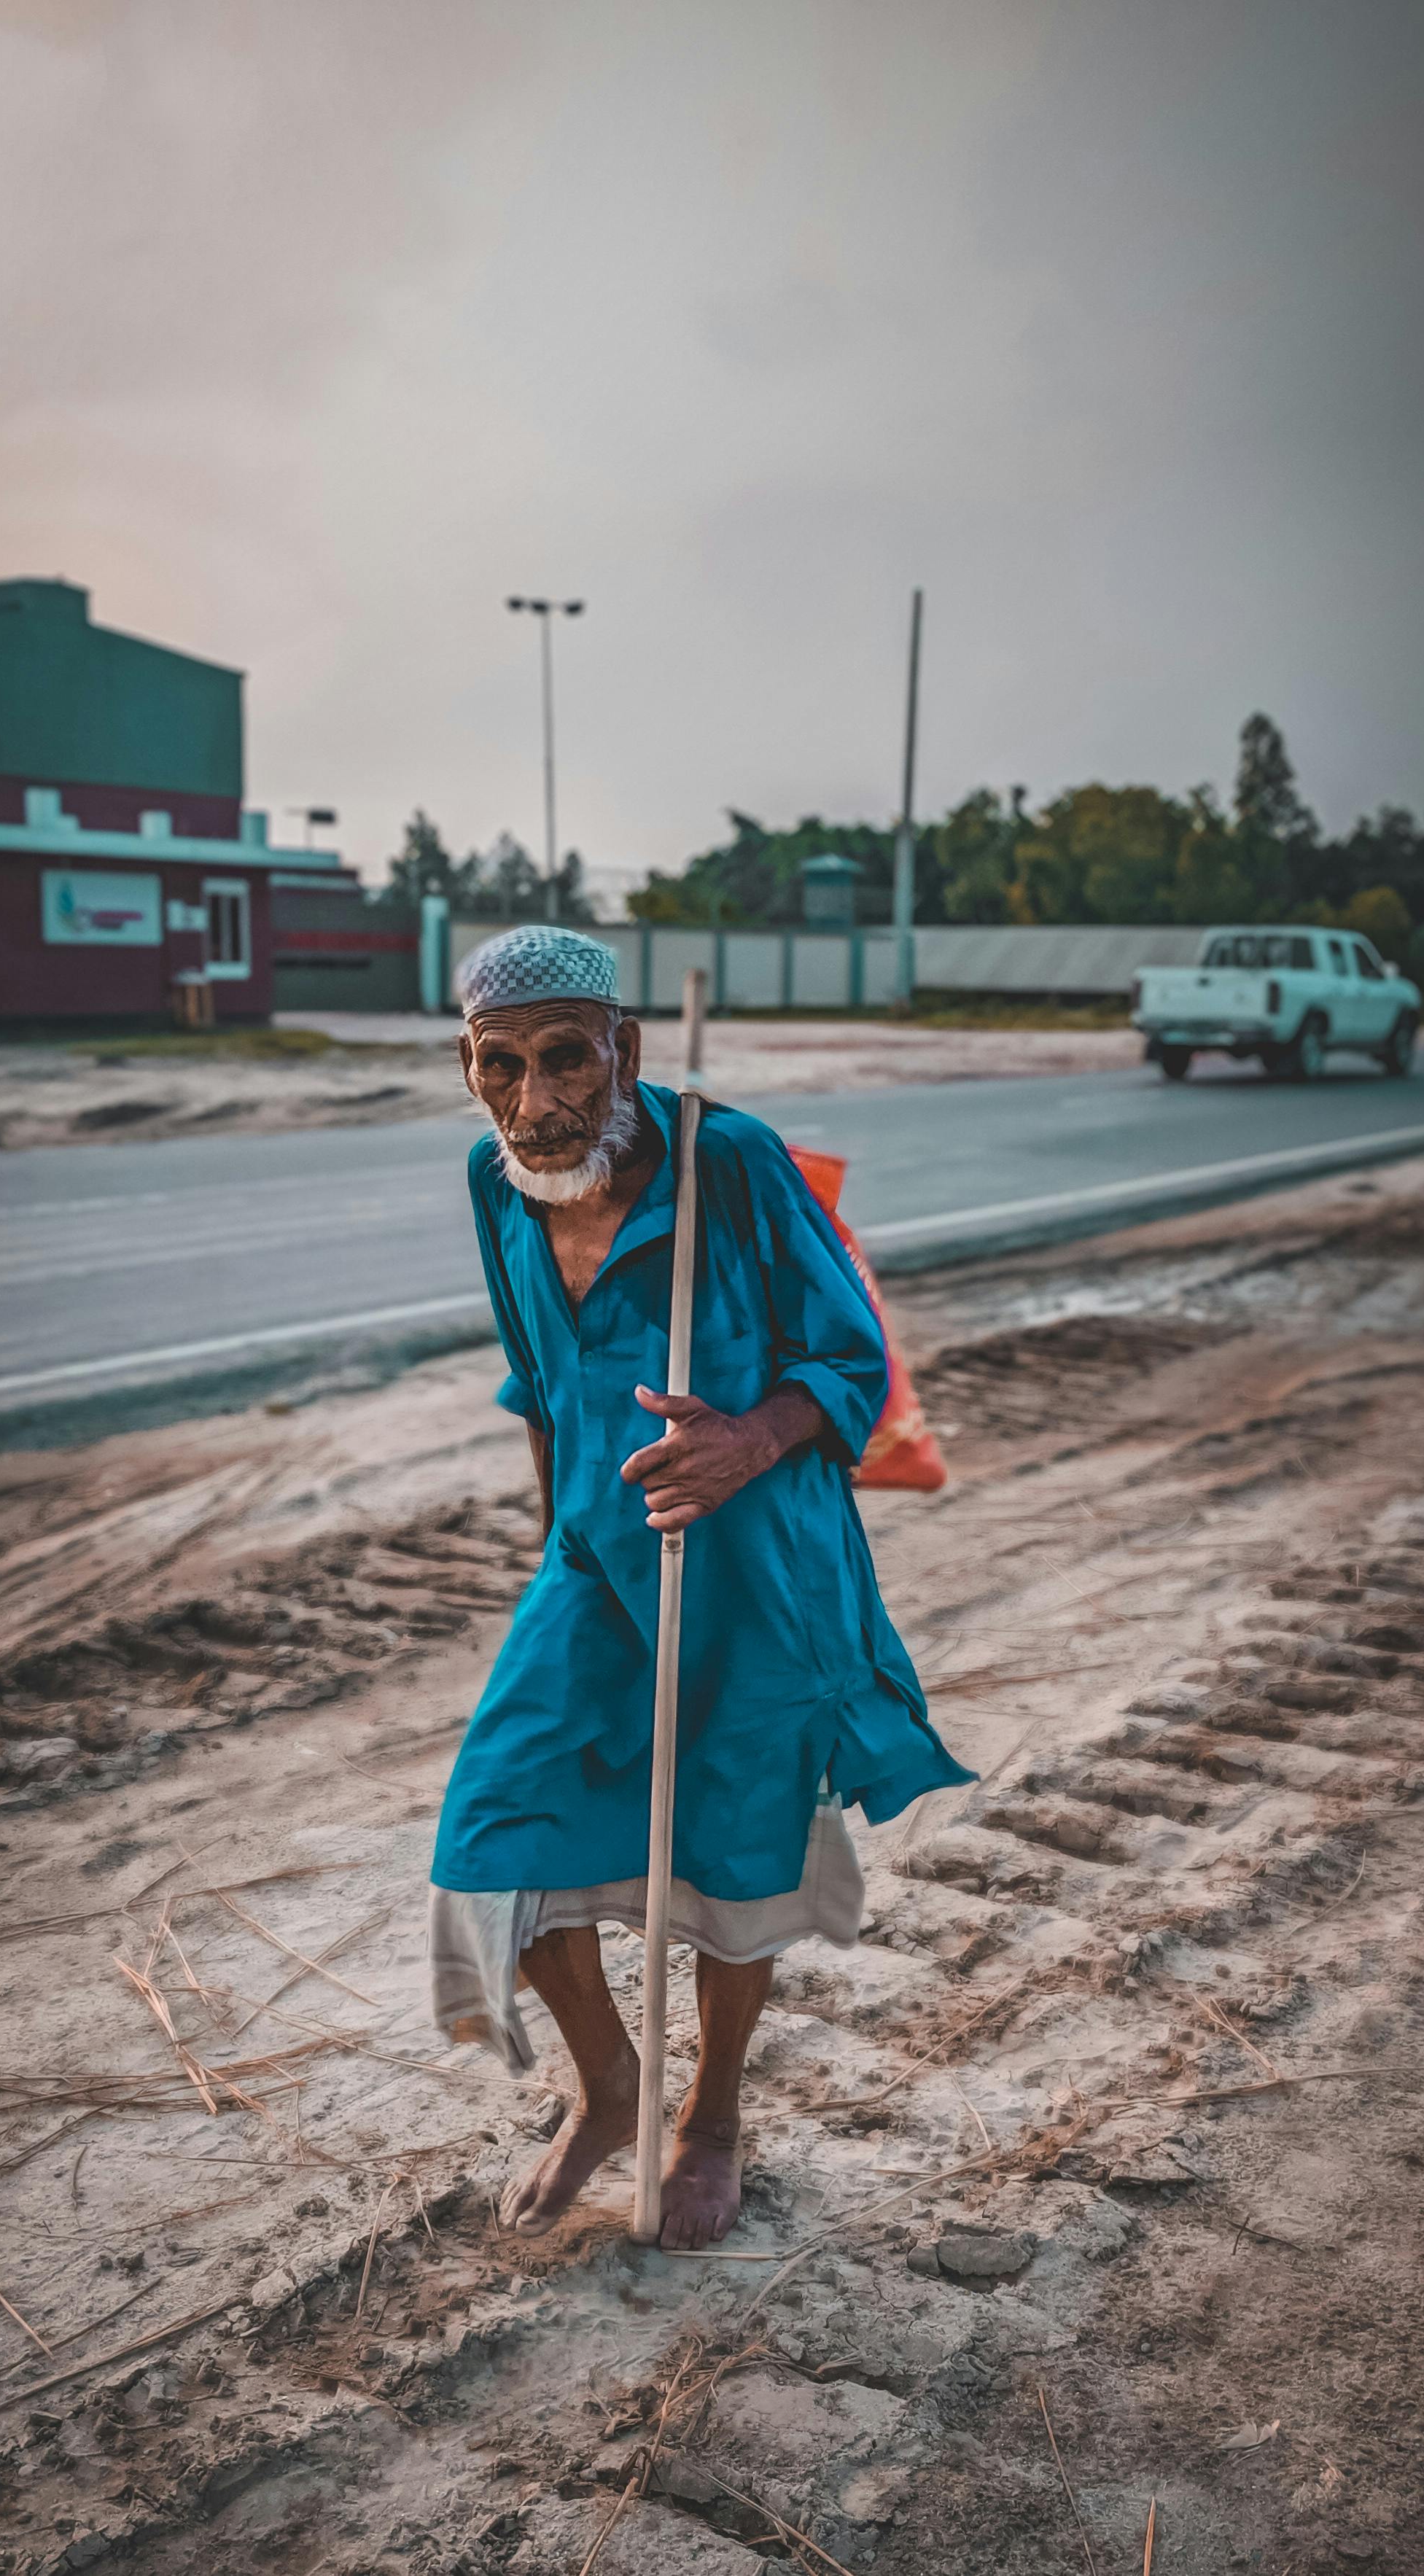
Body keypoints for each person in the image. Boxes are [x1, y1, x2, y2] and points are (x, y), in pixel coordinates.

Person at [428, 925, 973, 2249]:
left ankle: (711, 2115)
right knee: (496, 1825)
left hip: (759, 1561)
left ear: (621, 1048)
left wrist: (743, 1438)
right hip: (592, 1558)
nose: (538, 1100)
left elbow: (851, 1363)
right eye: (501, 1065)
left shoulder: (726, 1158)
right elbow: (537, 1378)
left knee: (735, 1846)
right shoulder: (496, 1181)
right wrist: (557, 1531)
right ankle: (610, 2086)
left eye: (567, 1059)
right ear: (468, 1066)